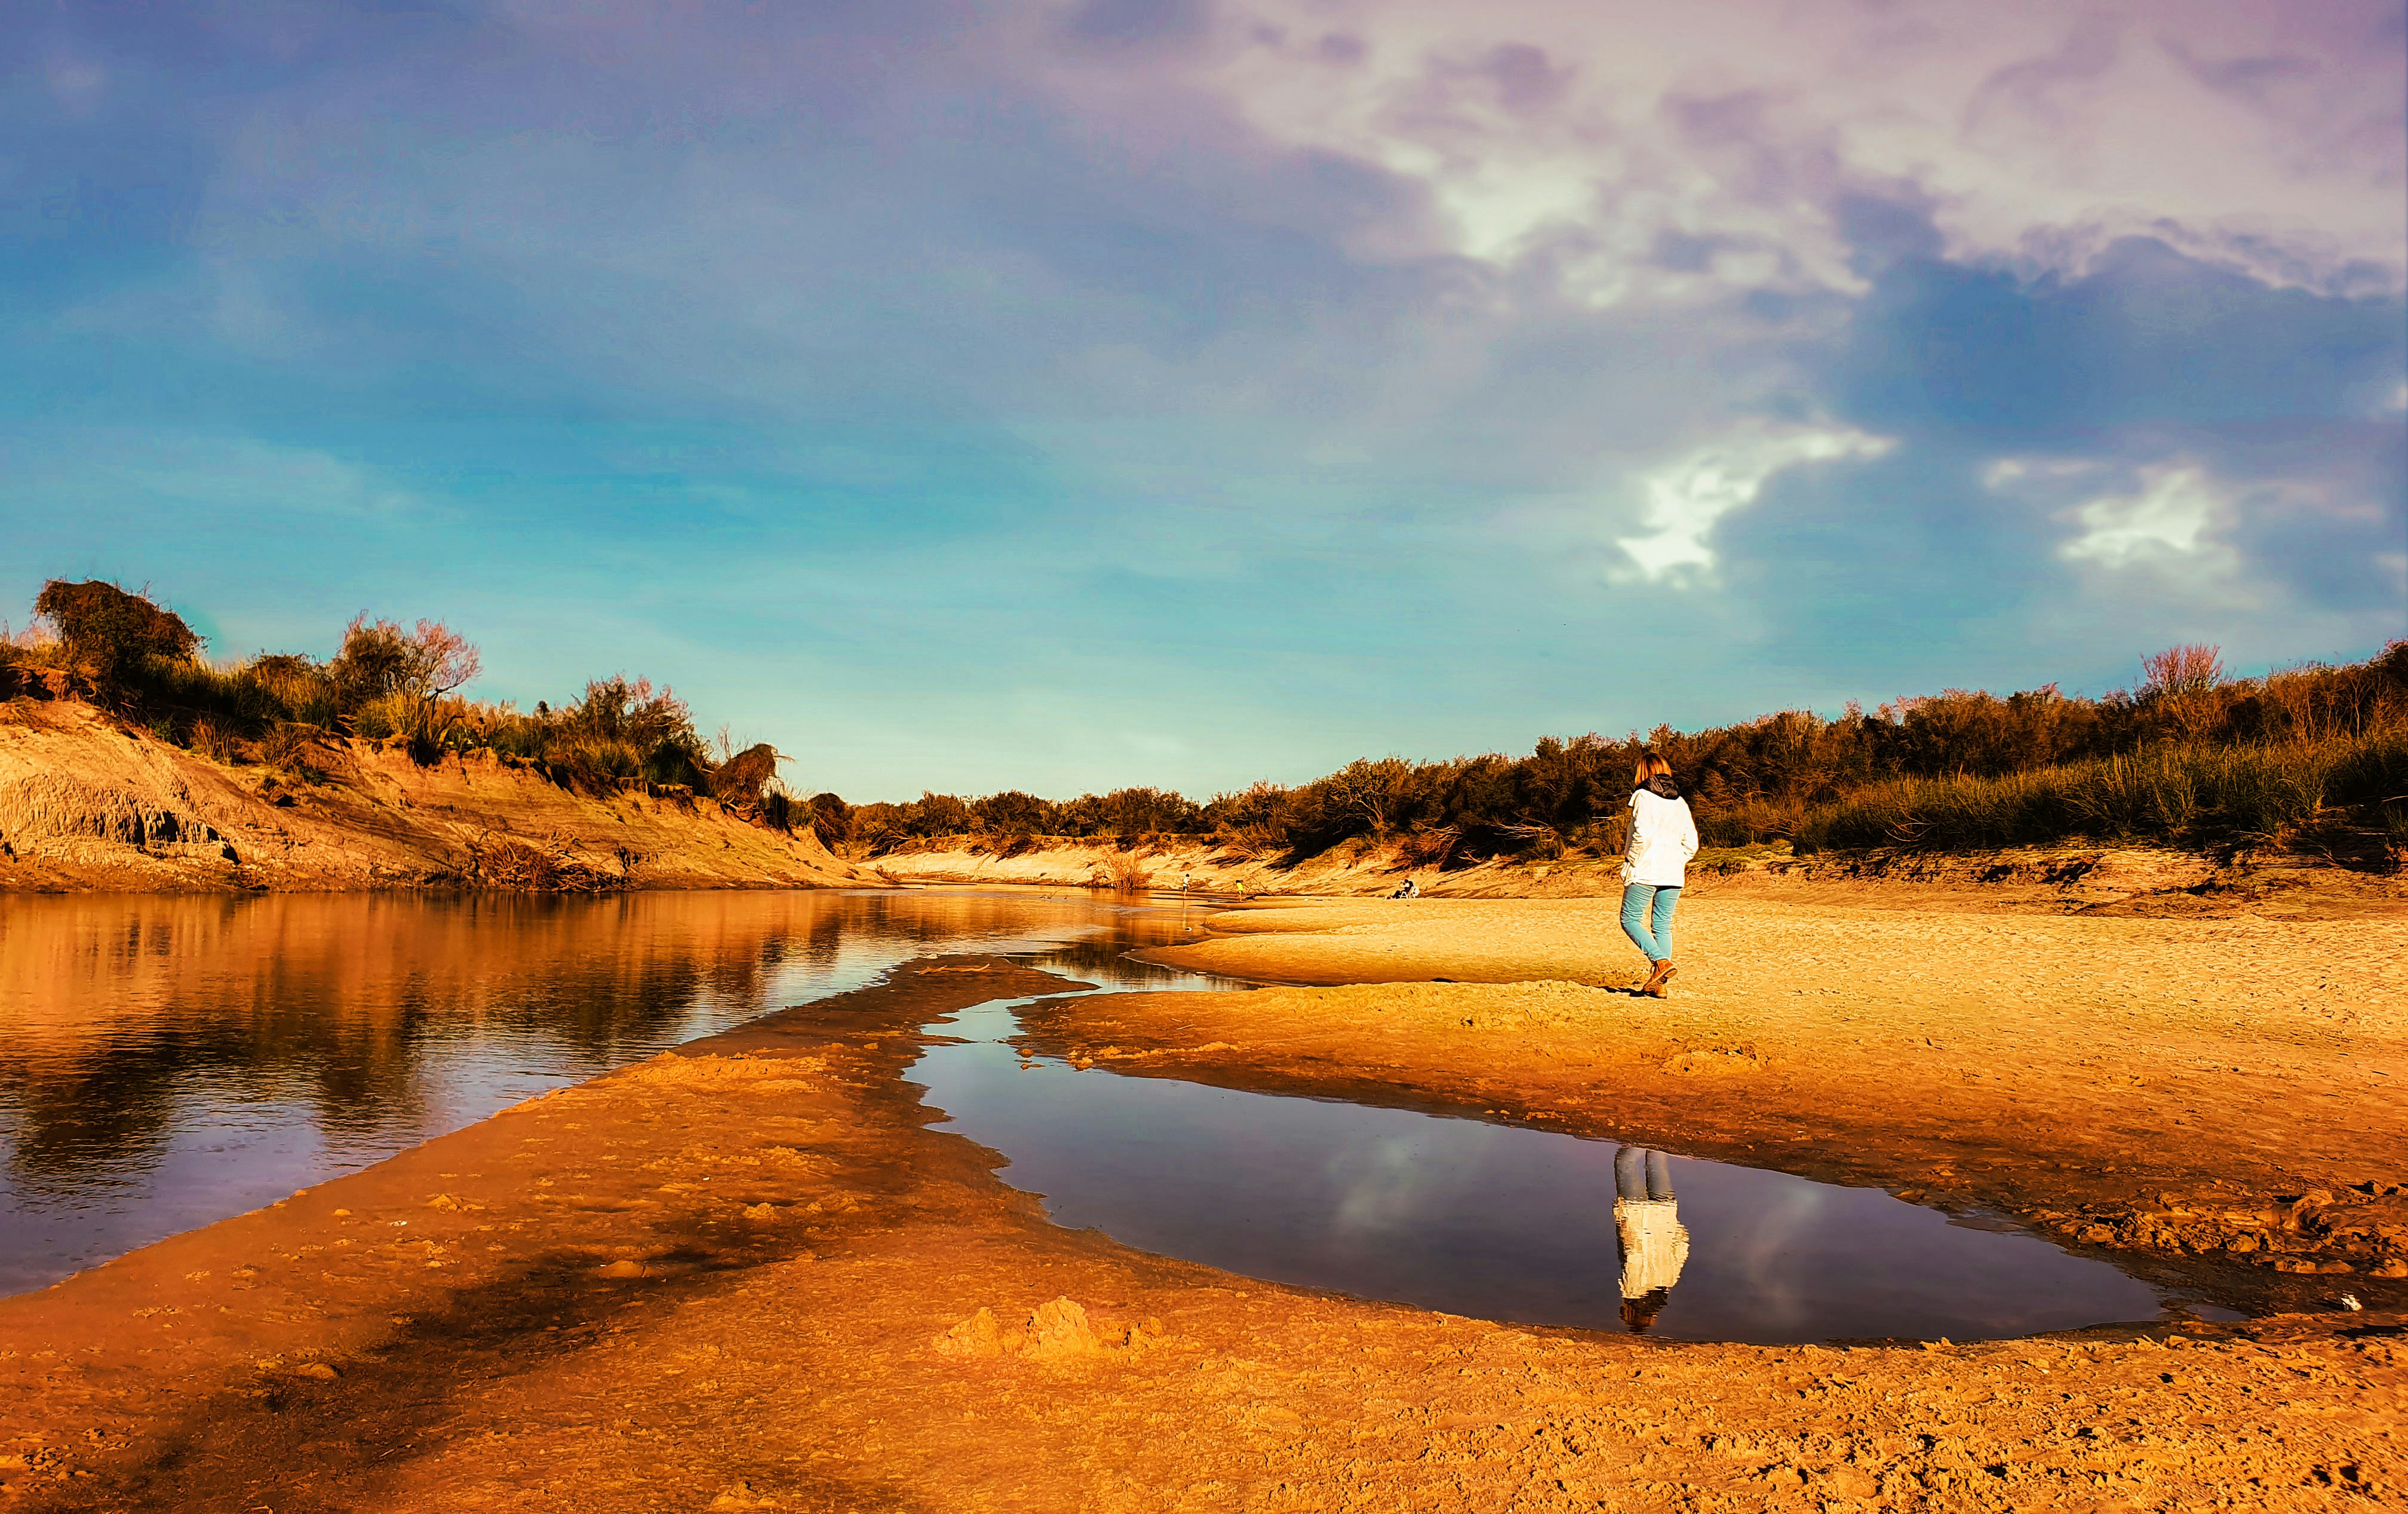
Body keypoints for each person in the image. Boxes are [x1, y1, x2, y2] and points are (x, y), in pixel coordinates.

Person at [1620, 749, 1698, 996]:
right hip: (1673, 873)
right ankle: (1659, 985)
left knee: (1629, 919)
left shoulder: (1642, 796)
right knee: (1662, 926)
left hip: (1645, 870)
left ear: (1642, 772)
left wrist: (1632, 860)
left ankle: (1661, 962)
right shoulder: (1680, 802)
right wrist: (1676, 860)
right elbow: (1692, 844)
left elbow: (1642, 835)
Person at [1612, 1145, 1689, 1331]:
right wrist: (1624, 1223)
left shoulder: (1669, 1281)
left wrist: (1672, 1226)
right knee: (1625, 1162)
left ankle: (1662, 1133)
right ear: (1630, 1312)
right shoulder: (1632, 1290)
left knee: (1657, 1160)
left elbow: (1682, 1248)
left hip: (1665, 1213)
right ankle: (1642, 1136)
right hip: (1637, 1213)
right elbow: (1632, 1254)